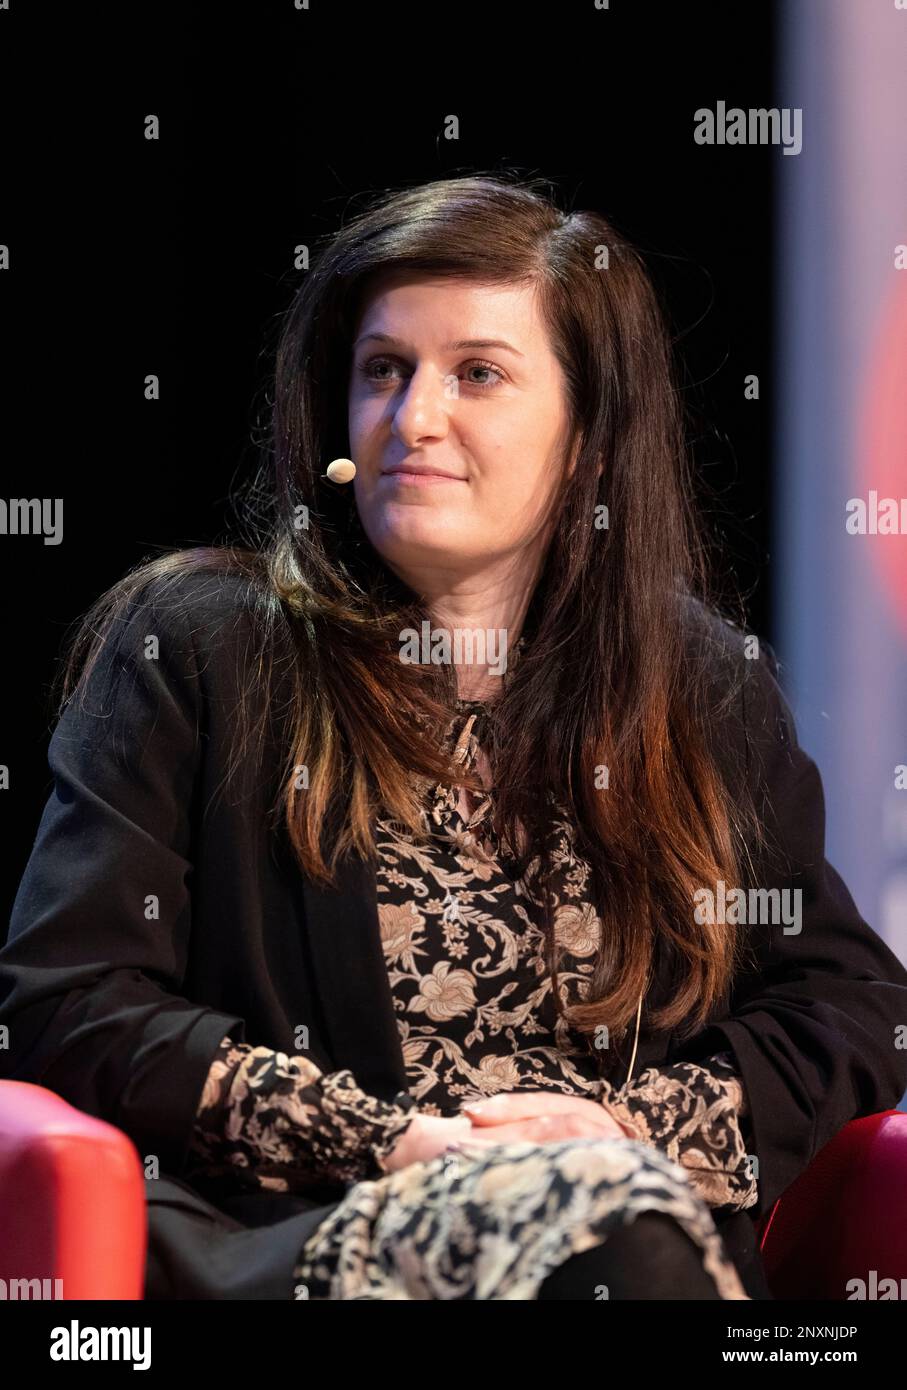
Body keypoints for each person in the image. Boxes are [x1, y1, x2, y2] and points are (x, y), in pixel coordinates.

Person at [2, 174, 906, 1302]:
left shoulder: (699, 688)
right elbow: (70, 997)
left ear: (584, 439)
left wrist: (624, 1129)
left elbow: (849, 1006)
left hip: (630, 1232)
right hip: (332, 1240)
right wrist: (386, 1141)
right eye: (384, 370)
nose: (412, 416)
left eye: (476, 373)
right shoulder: (199, 648)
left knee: (617, 1242)